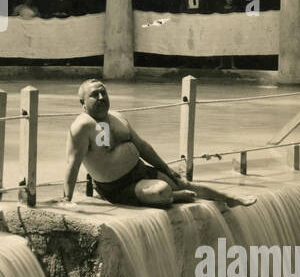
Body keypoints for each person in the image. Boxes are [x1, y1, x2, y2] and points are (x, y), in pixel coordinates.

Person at [63, 80, 256, 209]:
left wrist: (166, 168)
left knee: (184, 183)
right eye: (95, 95)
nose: (102, 98)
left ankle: (229, 198)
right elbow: (72, 163)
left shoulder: (117, 117)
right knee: (161, 191)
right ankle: (175, 195)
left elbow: (143, 147)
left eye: (103, 93)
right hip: (118, 188)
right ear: (82, 103)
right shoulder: (82, 127)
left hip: (140, 171)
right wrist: (67, 200)